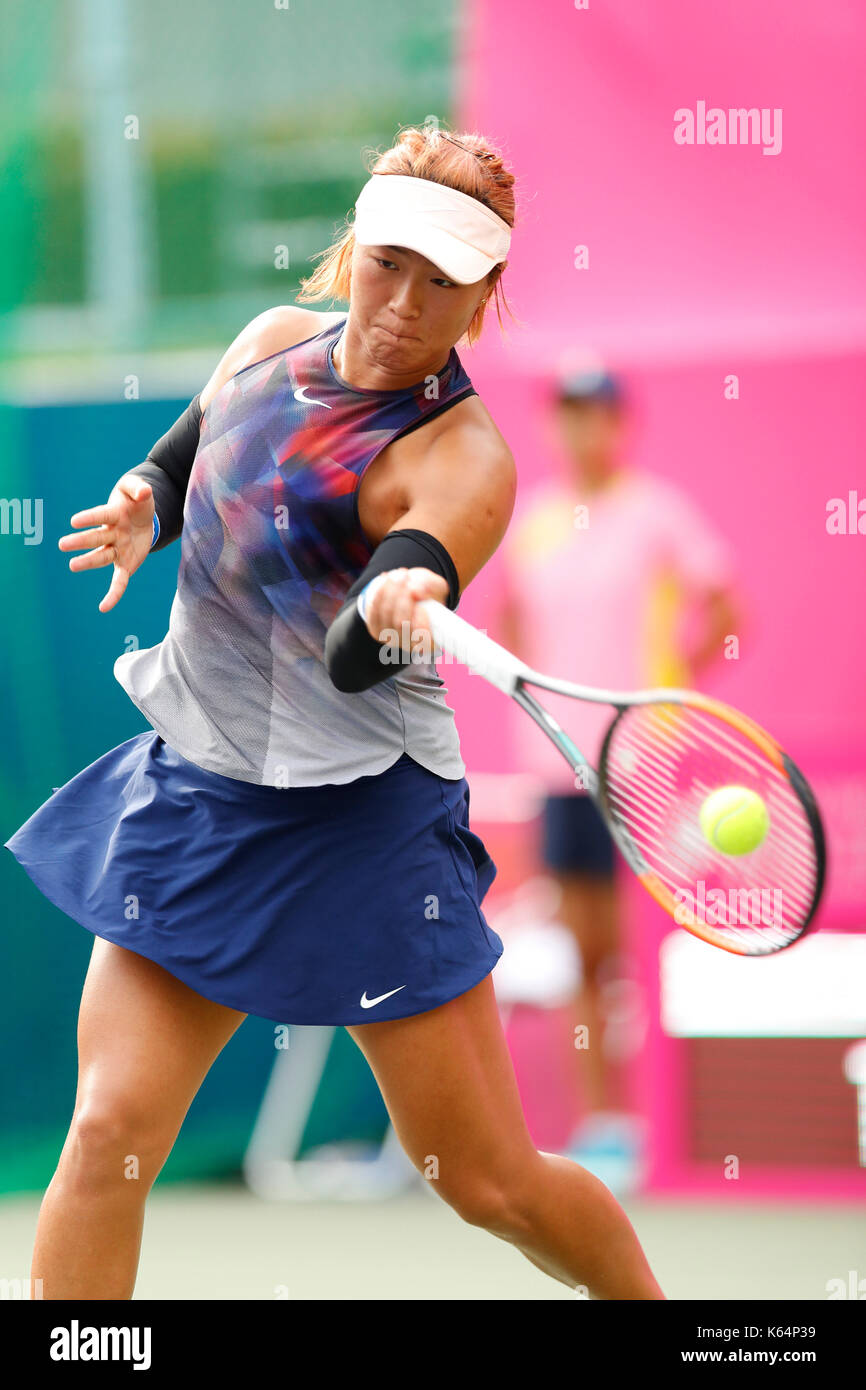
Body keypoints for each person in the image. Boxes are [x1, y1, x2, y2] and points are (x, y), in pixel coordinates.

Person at [5, 126, 664, 1300]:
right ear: (351, 245)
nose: (403, 303)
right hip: (199, 797)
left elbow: (356, 660)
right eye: (387, 262)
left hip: (363, 831)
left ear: (483, 299)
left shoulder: (462, 461)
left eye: (442, 281)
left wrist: (399, 591)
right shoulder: (264, 344)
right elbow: (195, 446)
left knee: (485, 1181)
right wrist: (145, 504)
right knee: (107, 1135)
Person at [498, 364, 741, 1193]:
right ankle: (606, 1130)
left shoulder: (658, 513)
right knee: (583, 955)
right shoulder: (532, 523)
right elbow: (511, 628)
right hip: (556, 769)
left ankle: (666, 1128)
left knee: (640, 952)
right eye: (567, 415)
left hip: (645, 767)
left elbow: (724, 604)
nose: (581, 430)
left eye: (595, 414)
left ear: (619, 423)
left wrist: (672, 698)